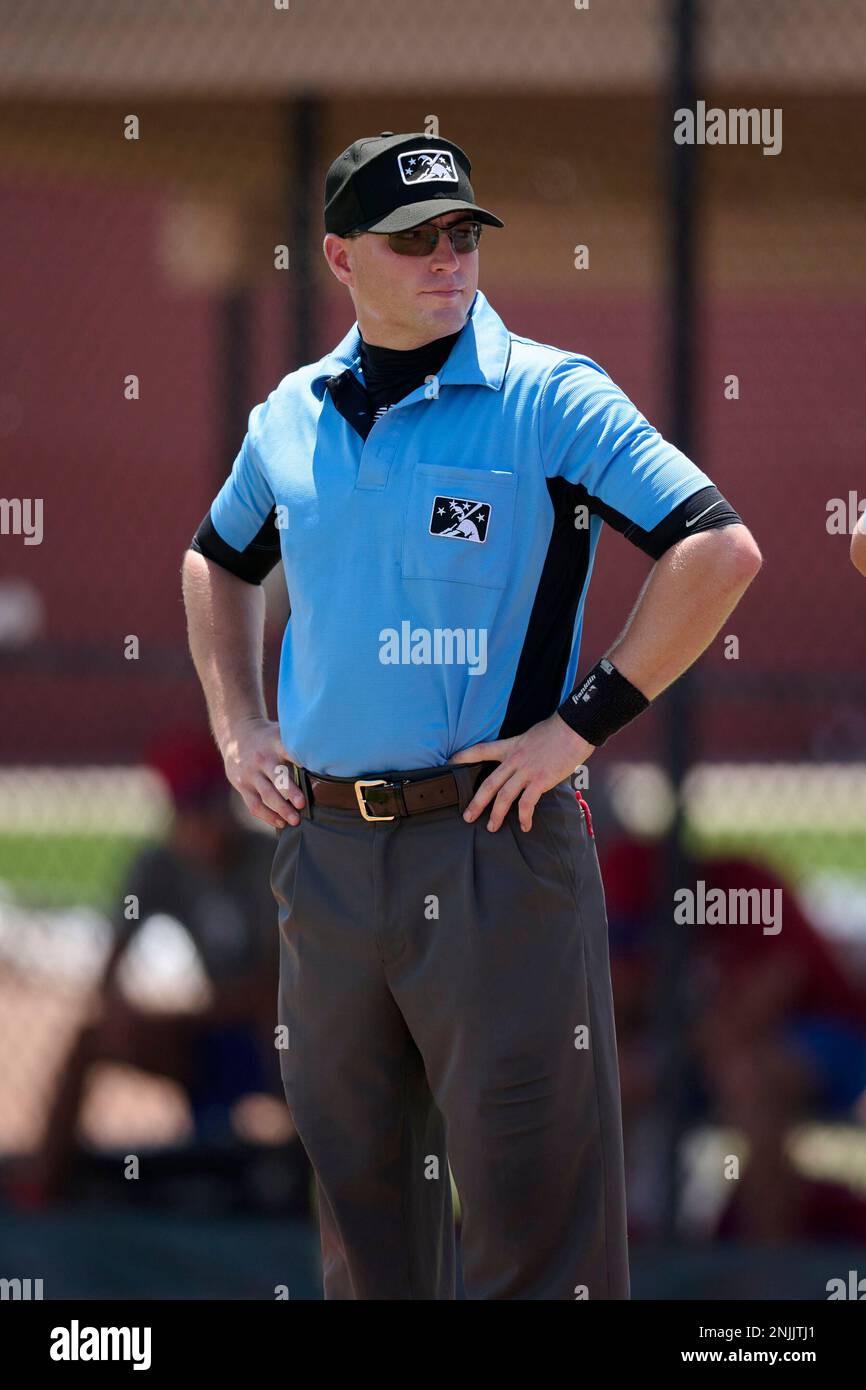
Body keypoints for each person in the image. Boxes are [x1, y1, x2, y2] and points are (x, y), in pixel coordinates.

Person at [181, 131, 762, 1299]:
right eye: (414, 241)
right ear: (341, 258)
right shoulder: (288, 417)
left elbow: (716, 547)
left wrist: (578, 727)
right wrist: (239, 724)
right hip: (327, 854)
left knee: (529, 1224)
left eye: (461, 235)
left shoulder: (550, 398)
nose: (447, 259)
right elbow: (214, 560)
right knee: (361, 1226)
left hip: (494, 846)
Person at [19, 731, 285, 1204]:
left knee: (278, 1025)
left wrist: (183, 1013)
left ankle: (304, 1185)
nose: (200, 827)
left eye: (207, 808)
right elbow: (111, 966)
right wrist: (119, 1008)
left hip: (276, 1039)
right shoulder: (159, 866)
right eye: (186, 812)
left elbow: (270, 991)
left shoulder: (269, 863)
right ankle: (44, 1188)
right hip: (206, 1033)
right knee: (91, 1038)